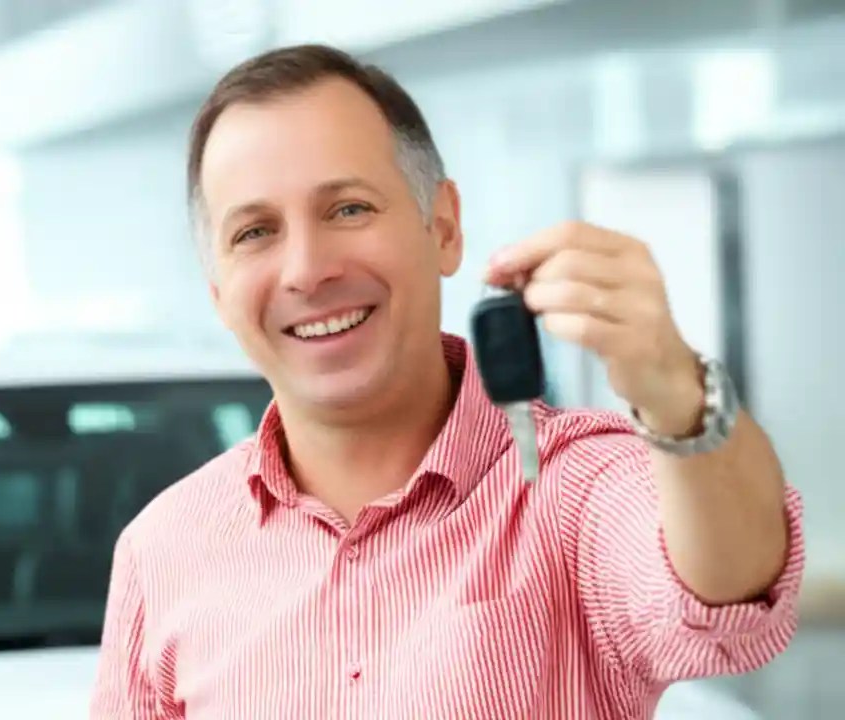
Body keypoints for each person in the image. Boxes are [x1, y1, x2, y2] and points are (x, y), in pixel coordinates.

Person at [91, 44, 803, 719]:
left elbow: (730, 594)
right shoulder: (162, 552)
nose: (307, 270)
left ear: (444, 228)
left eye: (348, 209)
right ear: (218, 292)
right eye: (255, 232)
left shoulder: (574, 487)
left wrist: (676, 392)